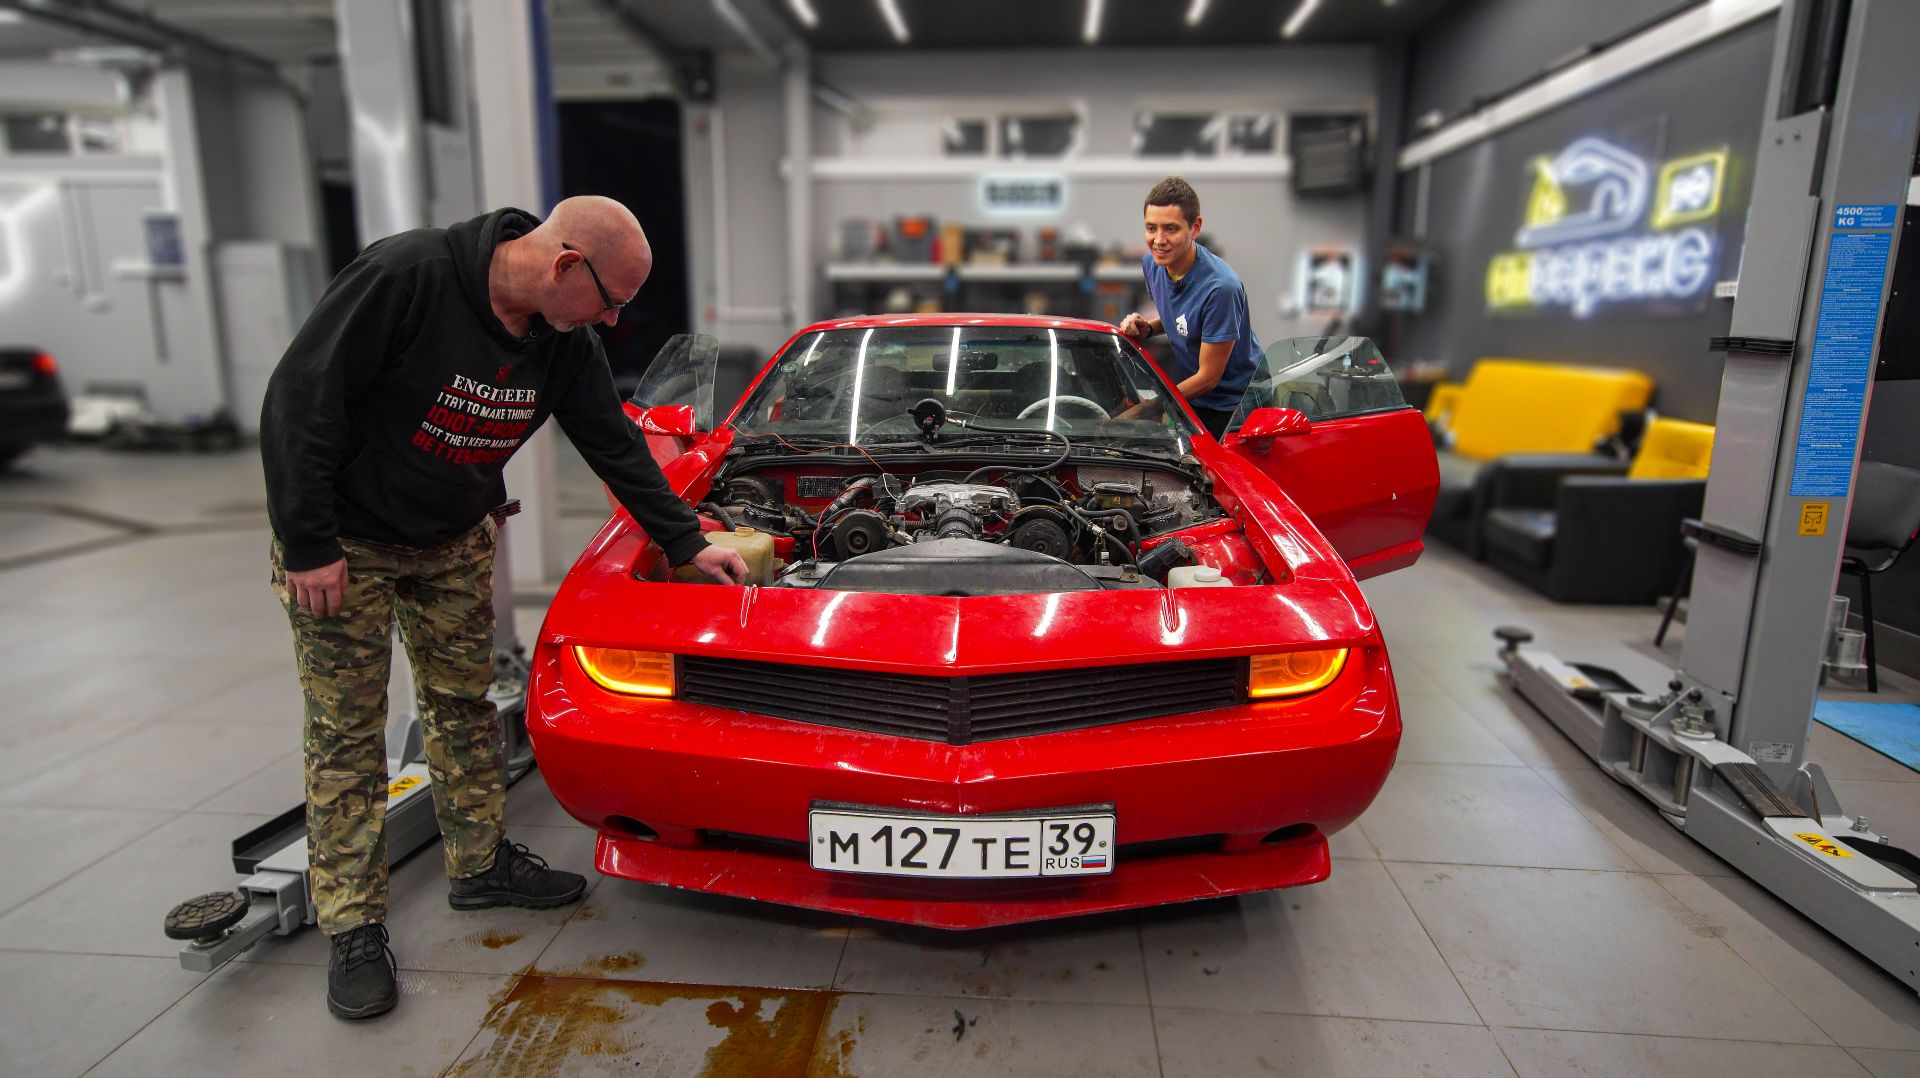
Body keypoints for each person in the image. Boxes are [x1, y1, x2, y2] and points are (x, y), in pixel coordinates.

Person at [260, 196, 747, 1020]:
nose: (613, 321)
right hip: (348, 542)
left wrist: (685, 540)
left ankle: (479, 864)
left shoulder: (564, 342)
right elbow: (301, 400)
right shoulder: (407, 277)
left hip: (451, 540)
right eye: (611, 301)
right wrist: (307, 542)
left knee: (465, 706)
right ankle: (352, 926)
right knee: (347, 734)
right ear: (565, 265)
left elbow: (612, 441)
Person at [1117, 176, 1261, 439]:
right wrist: (1148, 328)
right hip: (1193, 398)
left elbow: (1208, 377)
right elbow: (1180, 316)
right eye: (1151, 228)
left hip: (1235, 408)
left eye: (1171, 229)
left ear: (1195, 228)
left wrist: (1144, 410)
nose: (1159, 240)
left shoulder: (1221, 288)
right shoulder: (1153, 264)